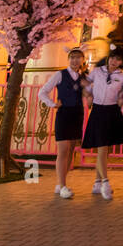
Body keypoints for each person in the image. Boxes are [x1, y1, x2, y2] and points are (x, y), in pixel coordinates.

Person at [38, 48, 88, 199]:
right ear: (69, 59)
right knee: (63, 150)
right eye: (72, 57)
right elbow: (42, 91)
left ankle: (61, 184)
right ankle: (63, 186)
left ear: (82, 60)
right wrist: (52, 104)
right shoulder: (60, 74)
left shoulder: (83, 77)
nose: (75, 60)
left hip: (77, 114)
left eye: (78, 58)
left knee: (71, 150)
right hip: (64, 114)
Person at [81, 49, 123, 200]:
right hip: (98, 111)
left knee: (104, 150)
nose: (114, 61)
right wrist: (88, 96)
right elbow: (86, 87)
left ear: (122, 62)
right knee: (102, 148)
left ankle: (97, 182)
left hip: (113, 112)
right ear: (108, 58)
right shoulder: (96, 72)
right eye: (112, 58)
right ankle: (106, 183)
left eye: (118, 59)